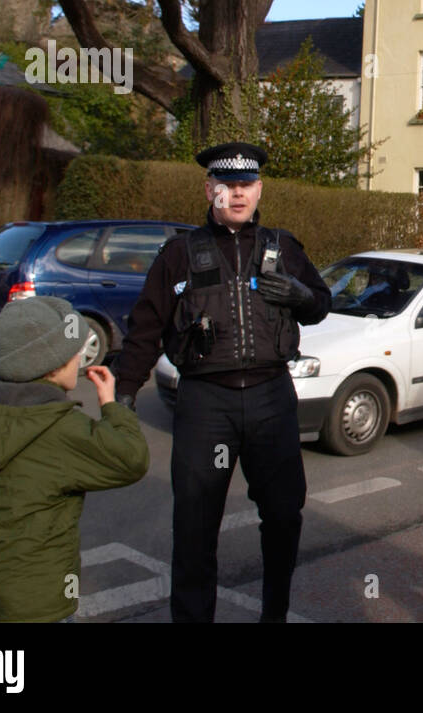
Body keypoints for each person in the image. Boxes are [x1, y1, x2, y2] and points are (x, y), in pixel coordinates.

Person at [111, 142, 331, 622]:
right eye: (226, 186)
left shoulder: (283, 247)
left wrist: (300, 294)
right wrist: (124, 394)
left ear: (259, 188)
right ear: (209, 189)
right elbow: (145, 328)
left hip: (272, 395)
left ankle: (274, 613)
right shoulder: (179, 255)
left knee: (282, 515)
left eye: (246, 185)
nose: (237, 195)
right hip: (206, 403)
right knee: (194, 525)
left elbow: (320, 304)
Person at [0, 296, 149, 622]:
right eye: (74, 352)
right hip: (42, 602)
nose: (80, 359)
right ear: (53, 363)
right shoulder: (62, 428)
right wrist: (112, 406)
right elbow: (132, 460)